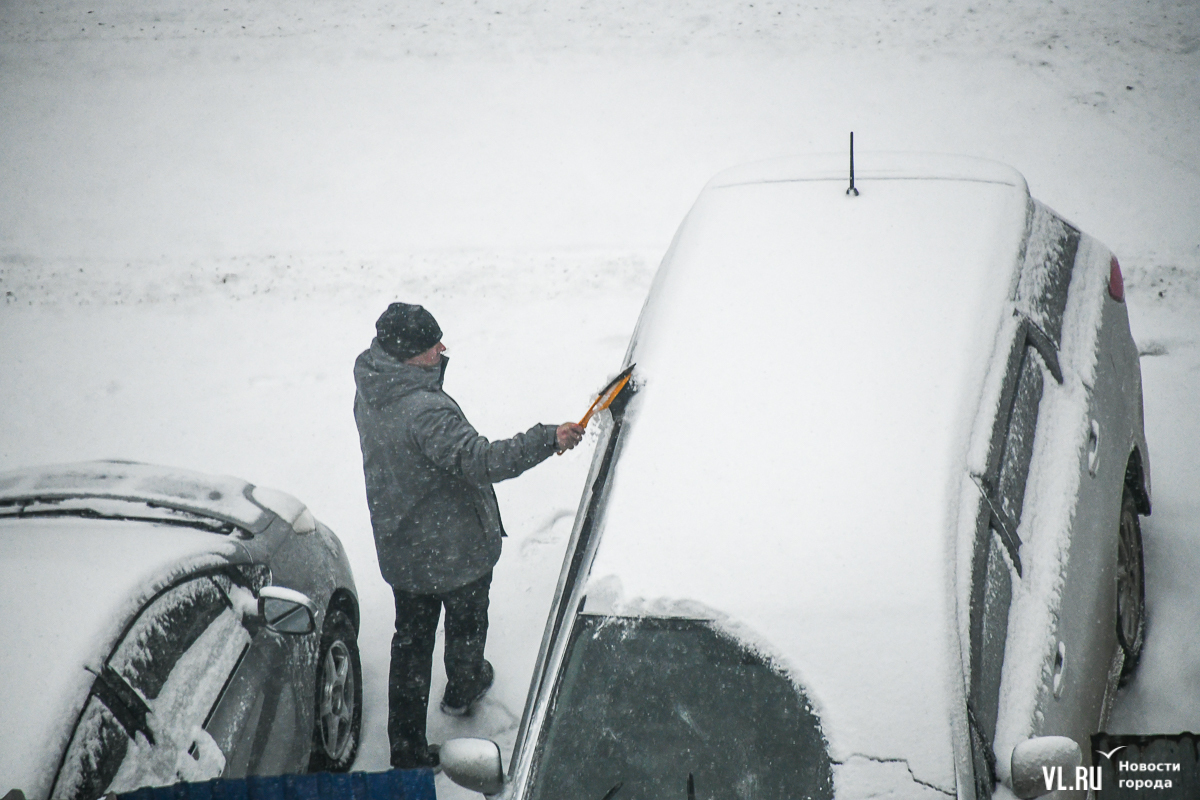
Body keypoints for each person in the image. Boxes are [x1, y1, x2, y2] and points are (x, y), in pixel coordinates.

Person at [353, 302, 585, 770]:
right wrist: (548, 439)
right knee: (466, 621)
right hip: (452, 549)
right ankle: (464, 687)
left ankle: (406, 748)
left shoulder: (373, 386)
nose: (442, 349)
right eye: (431, 346)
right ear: (405, 354)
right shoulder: (423, 411)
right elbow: (481, 461)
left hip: (403, 543)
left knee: (411, 643)